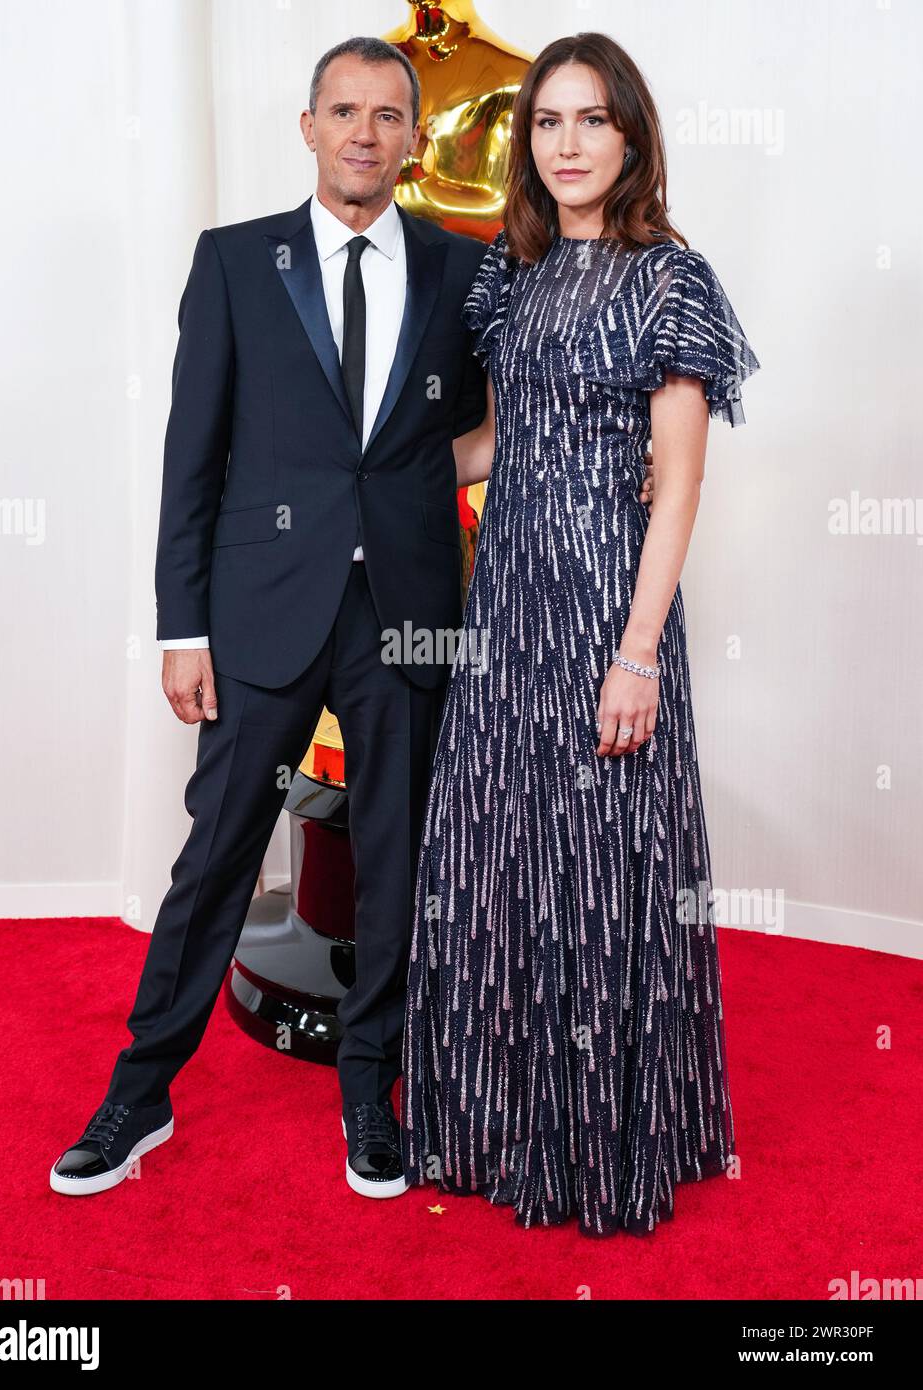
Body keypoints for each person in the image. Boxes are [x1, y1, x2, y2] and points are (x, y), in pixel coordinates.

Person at [48, 36, 494, 1200]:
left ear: (413, 137)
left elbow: (496, 424)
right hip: (258, 609)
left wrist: (614, 453)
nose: (364, 132)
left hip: (409, 608)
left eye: (387, 114)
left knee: (397, 857)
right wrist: (177, 627)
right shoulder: (238, 260)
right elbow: (190, 454)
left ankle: (369, 1094)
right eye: (343, 111)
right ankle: (137, 1096)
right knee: (218, 857)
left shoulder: (460, 270)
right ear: (308, 128)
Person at [402, 31, 761, 1237]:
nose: (567, 144)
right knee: (502, 861)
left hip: (610, 604)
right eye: (548, 122)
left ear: (632, 136)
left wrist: (639, 648)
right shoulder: (516, 275)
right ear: (528, 142)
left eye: (591, 120)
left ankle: (607, 1138)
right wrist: (373, 475)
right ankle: (499, 1123)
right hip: (506, 602)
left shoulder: (673, 279)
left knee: (605, 872)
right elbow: (506, 441)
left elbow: (679, 481)